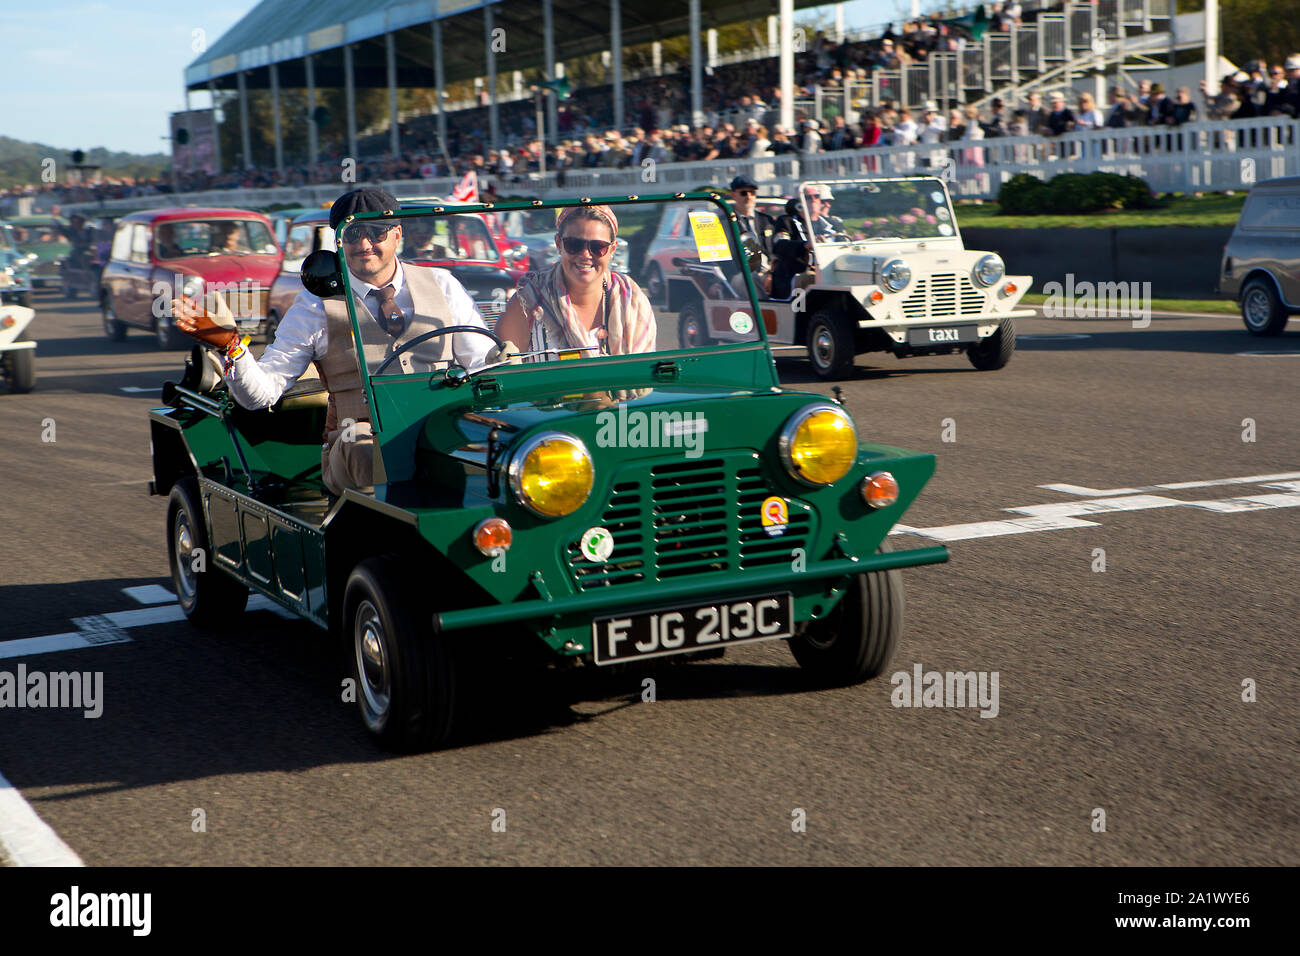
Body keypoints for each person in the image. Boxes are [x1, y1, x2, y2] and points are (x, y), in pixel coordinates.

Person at [173, 188, 495, 496]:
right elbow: (262, 394)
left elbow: (482, 366)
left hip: (437, 430)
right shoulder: (314, 306)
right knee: (369, 453)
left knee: (505, 452)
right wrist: (231, 346)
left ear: (398, 234)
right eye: (353, 234)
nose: (364, 244)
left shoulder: (442, 285)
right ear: (339, 242)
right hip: (357, 444)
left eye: (376, 232)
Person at [495, 204, 656, 361]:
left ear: (612, 250)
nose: (585, 254)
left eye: (598, 247)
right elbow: (505, 372)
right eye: (574, 245)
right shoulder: (528, 301)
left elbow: (646, 378)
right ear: (559, 244)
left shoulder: (632, 300)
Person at [728, 175, 778, 295]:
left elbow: (777, 250)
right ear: (733, 195)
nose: (749, 196)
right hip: (739, 273)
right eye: (743, 193)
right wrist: (716, 281)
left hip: (767, 271)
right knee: (749, 278)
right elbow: (718, 256)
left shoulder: (766, 220)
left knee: (800, 278)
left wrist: (771, 274)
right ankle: (761, 312)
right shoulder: (725, 222)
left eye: (752, 193)